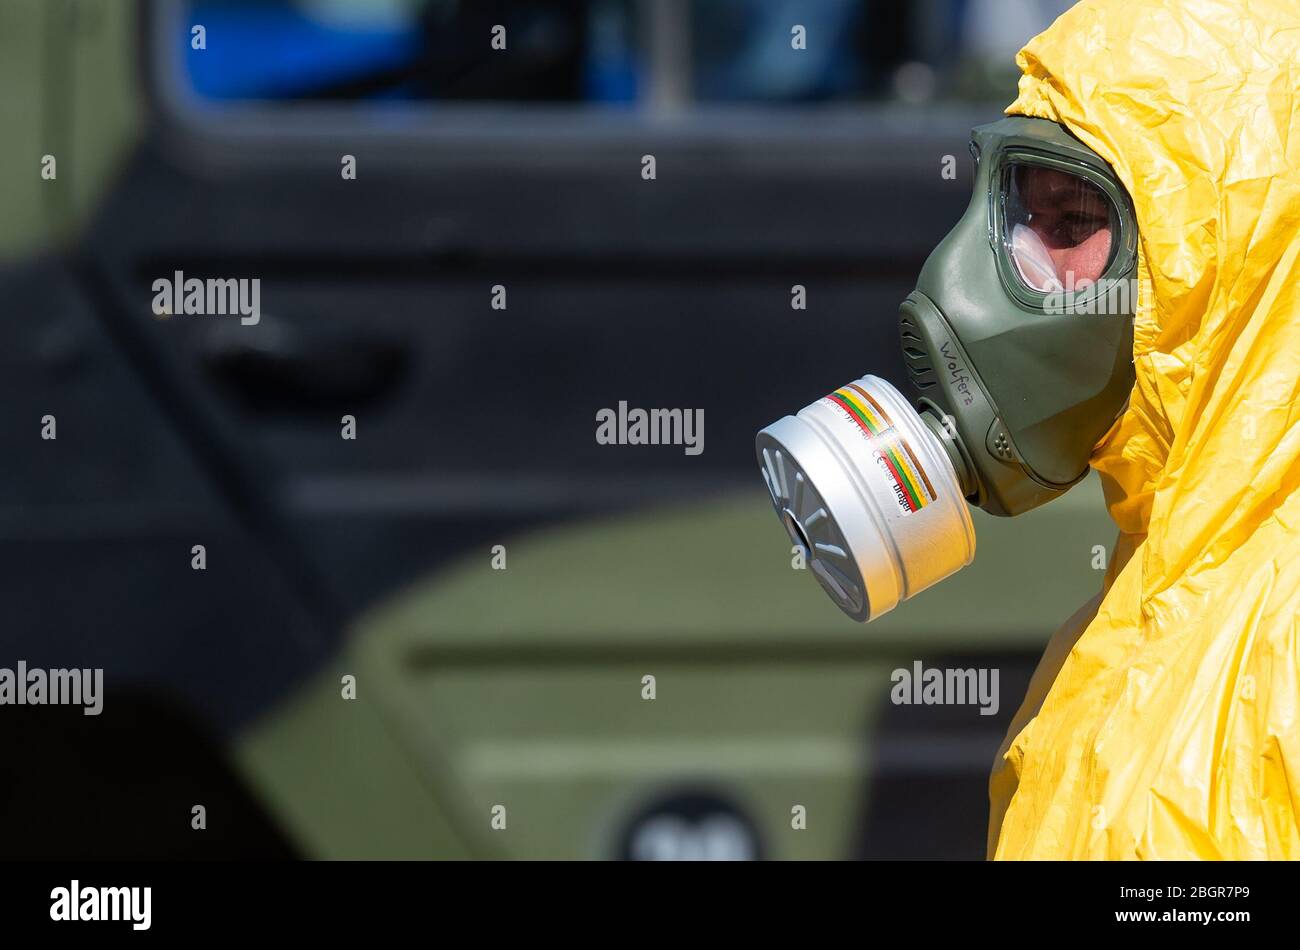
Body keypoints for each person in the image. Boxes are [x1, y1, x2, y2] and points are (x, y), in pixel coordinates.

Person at [988, 0, 1300, 859]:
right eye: (1019, 216)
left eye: (1072, 222)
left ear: (1230, 261)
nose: (1017, 264)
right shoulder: (1129, 613)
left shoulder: (1280, 645)